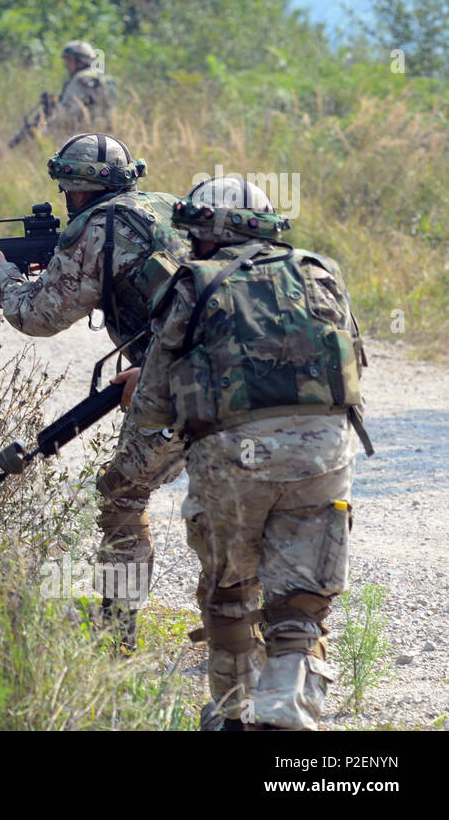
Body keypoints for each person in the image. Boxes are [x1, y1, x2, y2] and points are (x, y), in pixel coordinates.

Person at [128, 176, 372, 730]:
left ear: (209, 237)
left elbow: (152, 408)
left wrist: (135, 462)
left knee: (231, 592)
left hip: (232, 462)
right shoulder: (320, 269)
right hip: (324, 454)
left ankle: (234, 714)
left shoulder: (190, 282)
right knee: (300, 600)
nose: (190, 246)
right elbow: (351, 364)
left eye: (194, 235)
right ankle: (286, 704)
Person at [0, 133, 188, 652]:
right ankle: (255, 629)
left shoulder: (97, 228)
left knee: (122, 497)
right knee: (233, 497)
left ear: (75, 190)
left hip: (171, 380)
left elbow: (36, 316)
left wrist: (3, 273)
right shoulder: (165, 207)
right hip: (219, 369)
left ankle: (117, 642)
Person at [9, 40, 116, 147]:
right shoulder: (100, 77)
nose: (66, 65)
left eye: (69, 60)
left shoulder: (80, 79)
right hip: (103, 137)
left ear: (80, 61)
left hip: (82, 139)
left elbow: (68, 114)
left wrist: (51, 109)